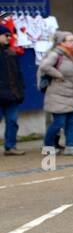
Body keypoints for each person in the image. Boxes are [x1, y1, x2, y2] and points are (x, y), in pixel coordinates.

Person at [39, 31, 73, 157]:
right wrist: (58, 74)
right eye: (70, 40)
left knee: (71, 122)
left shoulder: (72, 56)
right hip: (57, 94)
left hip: (71, 95)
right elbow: (44, 66)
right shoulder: (56, 54)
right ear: (62, 42)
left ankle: (71, 146)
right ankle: (48, 146)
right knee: (59, 122)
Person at [1, 24, 25, 156]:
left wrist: (20, 89)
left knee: (12, 120)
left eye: (10, 35)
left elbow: (17, 74)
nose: (9, 38)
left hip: (12, 94)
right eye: (6, 35)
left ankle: (10, 147)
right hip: (2, 93)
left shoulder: (11, 52)